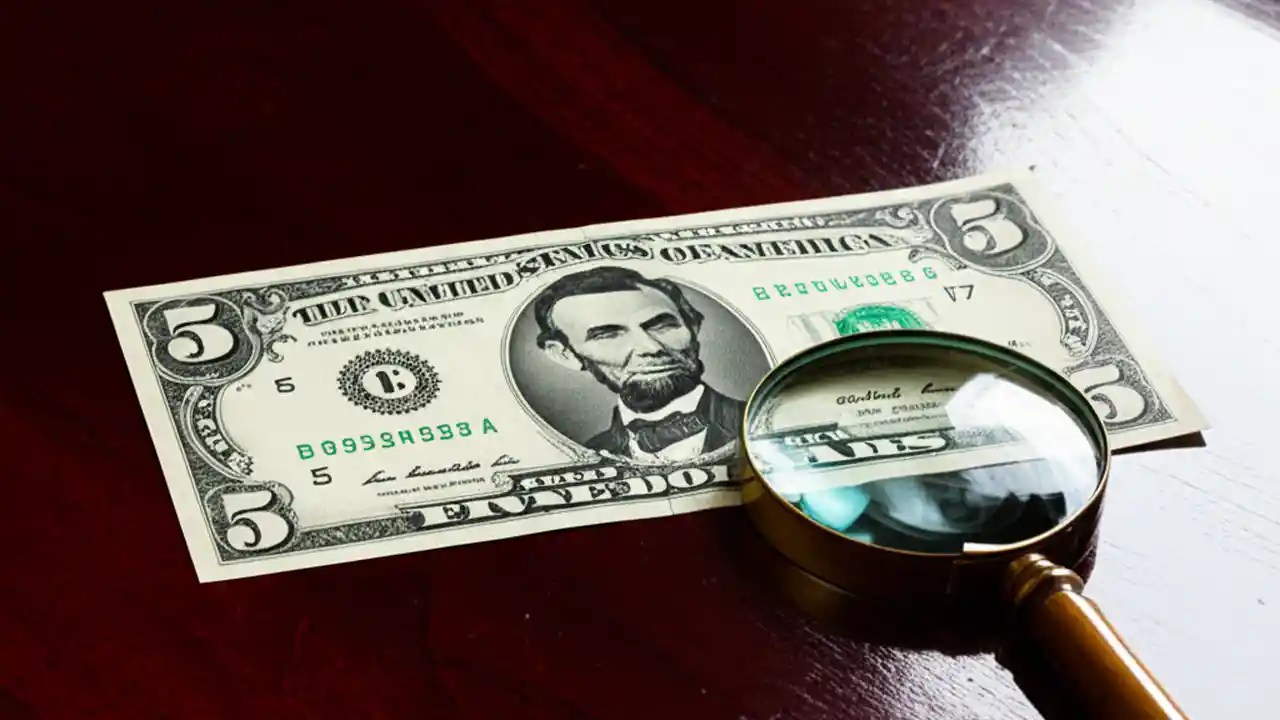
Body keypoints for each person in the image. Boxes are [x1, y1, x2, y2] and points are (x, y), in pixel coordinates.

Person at [533, 266, 745, 463]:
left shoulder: (752, 421)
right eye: (608, 335)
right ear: (565, 354)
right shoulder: (588, 454)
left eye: (662, 326)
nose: (651, 348)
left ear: (693, 326)